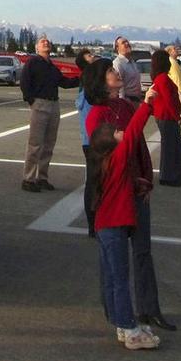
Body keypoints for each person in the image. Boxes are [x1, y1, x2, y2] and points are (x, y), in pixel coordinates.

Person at [84, 61, 175, 333]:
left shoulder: (125, 107)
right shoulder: (97, 115)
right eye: (111, 72)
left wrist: (146, 180)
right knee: (113, 259)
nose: (117, 74)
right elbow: (107, 159)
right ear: (100, 81)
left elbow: (139, 147)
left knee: (143, 250)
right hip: (116, 194)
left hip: (137, 189)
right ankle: (116, 313)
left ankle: (149, 308)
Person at [90, 86, 163, 351]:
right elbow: (132, 134)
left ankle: (122, 322)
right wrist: (147, 104)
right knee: (120, 279)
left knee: (113, 277)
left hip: (106, 225)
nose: (119, 130)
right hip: (114, 226)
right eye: (114, 132)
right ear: (112, 143)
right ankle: (130, 330)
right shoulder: (118, 158)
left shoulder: (107, 162)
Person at [20, 37, 79, 192]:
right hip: (40, 104)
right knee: (35, 144)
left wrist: (82, 79)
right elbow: (24, 81)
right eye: (42, 42)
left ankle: (42, 177)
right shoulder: (32, 62)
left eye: (47, 42)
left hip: (54, 105)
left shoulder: (52, 66)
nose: (46, 43)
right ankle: (29, 179)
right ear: (37, 48)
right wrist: (31, 100)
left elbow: (64, 83)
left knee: (49, 145)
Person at [150, 50, 181, 187]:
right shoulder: (163, 78)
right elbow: (168, 100)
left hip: (166, 115)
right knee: (170, 148)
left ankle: (173, 176)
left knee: (171, 147)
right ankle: (168, 176)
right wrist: (177, 117)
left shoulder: (161, 77)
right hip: (167, 116)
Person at [74, 49, 98, 236]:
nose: (94, 57)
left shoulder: (86, 84)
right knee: (94, 180)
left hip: (90, 139)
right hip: (93, 140)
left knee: (94, 180)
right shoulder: (89, 85)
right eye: (89, 55)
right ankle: (93, 222)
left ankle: (94, 222)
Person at [112, 36, 143, 104]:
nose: (127, 43)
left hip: (136, 100)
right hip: (127, 102)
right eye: (123, 43)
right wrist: (122, 103)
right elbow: (119, 86)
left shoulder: (132, 62)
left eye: (127, 42)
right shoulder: (117, 64)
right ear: (117, 48)